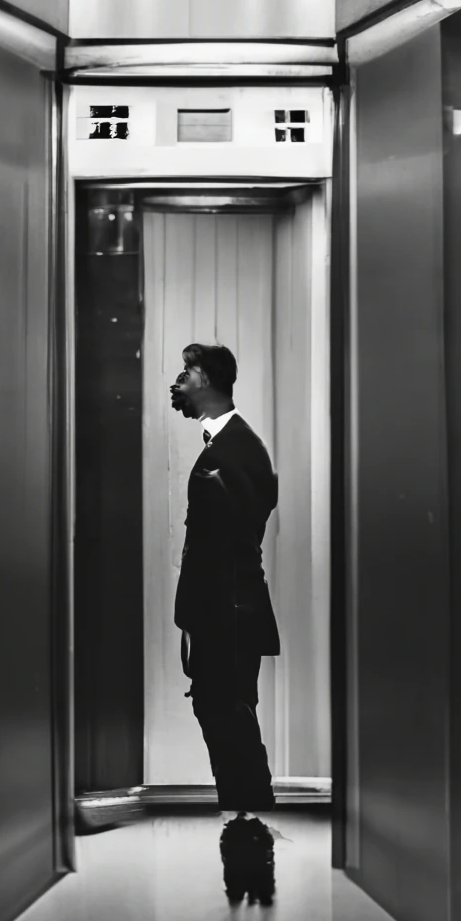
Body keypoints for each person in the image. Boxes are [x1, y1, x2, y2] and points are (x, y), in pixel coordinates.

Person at [169, 342, 280, 813]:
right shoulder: (228, 444)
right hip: (223, 610)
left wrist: (202, 618)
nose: (177, 381)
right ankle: (245, 815)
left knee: (225, 711)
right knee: (222, 709)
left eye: (187, 372)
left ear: (209, 381)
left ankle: (249, 815)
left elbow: (229, 542)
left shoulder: (237, 448)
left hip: (227, 612)